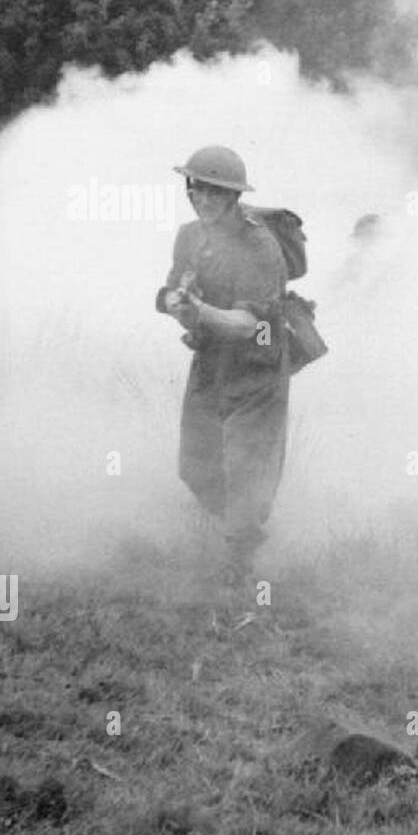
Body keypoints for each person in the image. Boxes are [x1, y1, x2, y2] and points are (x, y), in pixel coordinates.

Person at [155, 145, 289, 590]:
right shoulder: (189, 236)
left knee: (245, 466)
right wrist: (178, 305)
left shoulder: (261, 247)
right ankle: (243, 524)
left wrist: (199, 311)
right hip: (211, 361)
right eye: (197, 189)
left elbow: (247, 324)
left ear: (234, 197)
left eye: (215, 192)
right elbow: (172, 289)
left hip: (257, 367)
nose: (204, 199)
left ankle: (240, 561)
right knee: (194, 466)